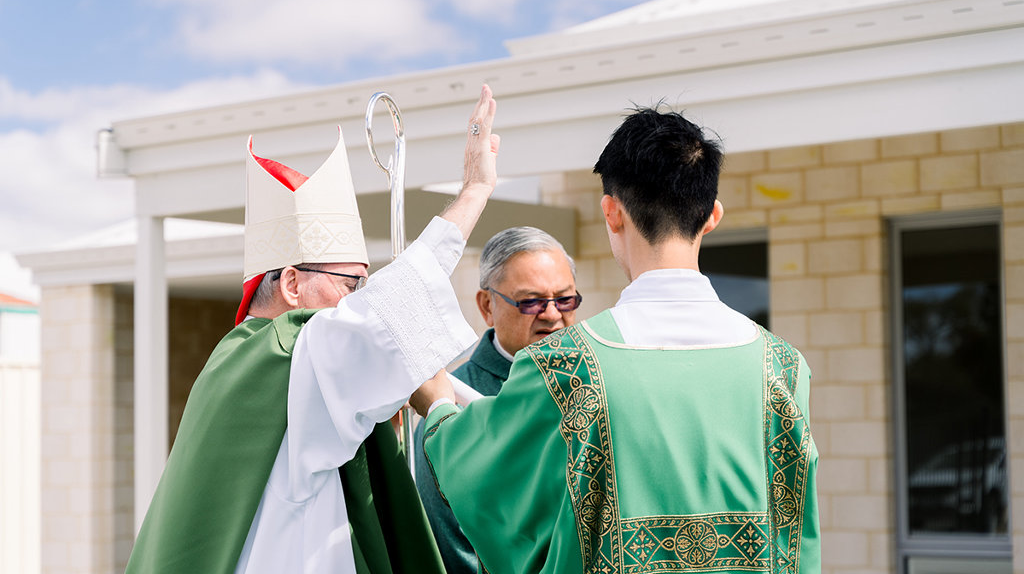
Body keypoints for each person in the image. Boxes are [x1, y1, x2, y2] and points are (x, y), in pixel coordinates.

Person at [413, 106, 820, 574]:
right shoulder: (784, 367)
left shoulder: (566, 367)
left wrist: (440, 409)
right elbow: (799, 535)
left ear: (611, 212)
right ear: (711, 216)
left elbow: (480, 480)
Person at [125, 85, 501, 574]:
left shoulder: (257, 360)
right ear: (292, 284)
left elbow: (435, 378)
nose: (361, 300)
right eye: (352, 284)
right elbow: (385, 316)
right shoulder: (279, 356)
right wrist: (474, 192)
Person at [413, 226, 580, 574]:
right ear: (487, 305)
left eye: (564, 299)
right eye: (531, 301)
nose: (551, 314)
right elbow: (451, 542)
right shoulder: (450, 401)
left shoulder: (594, 382)